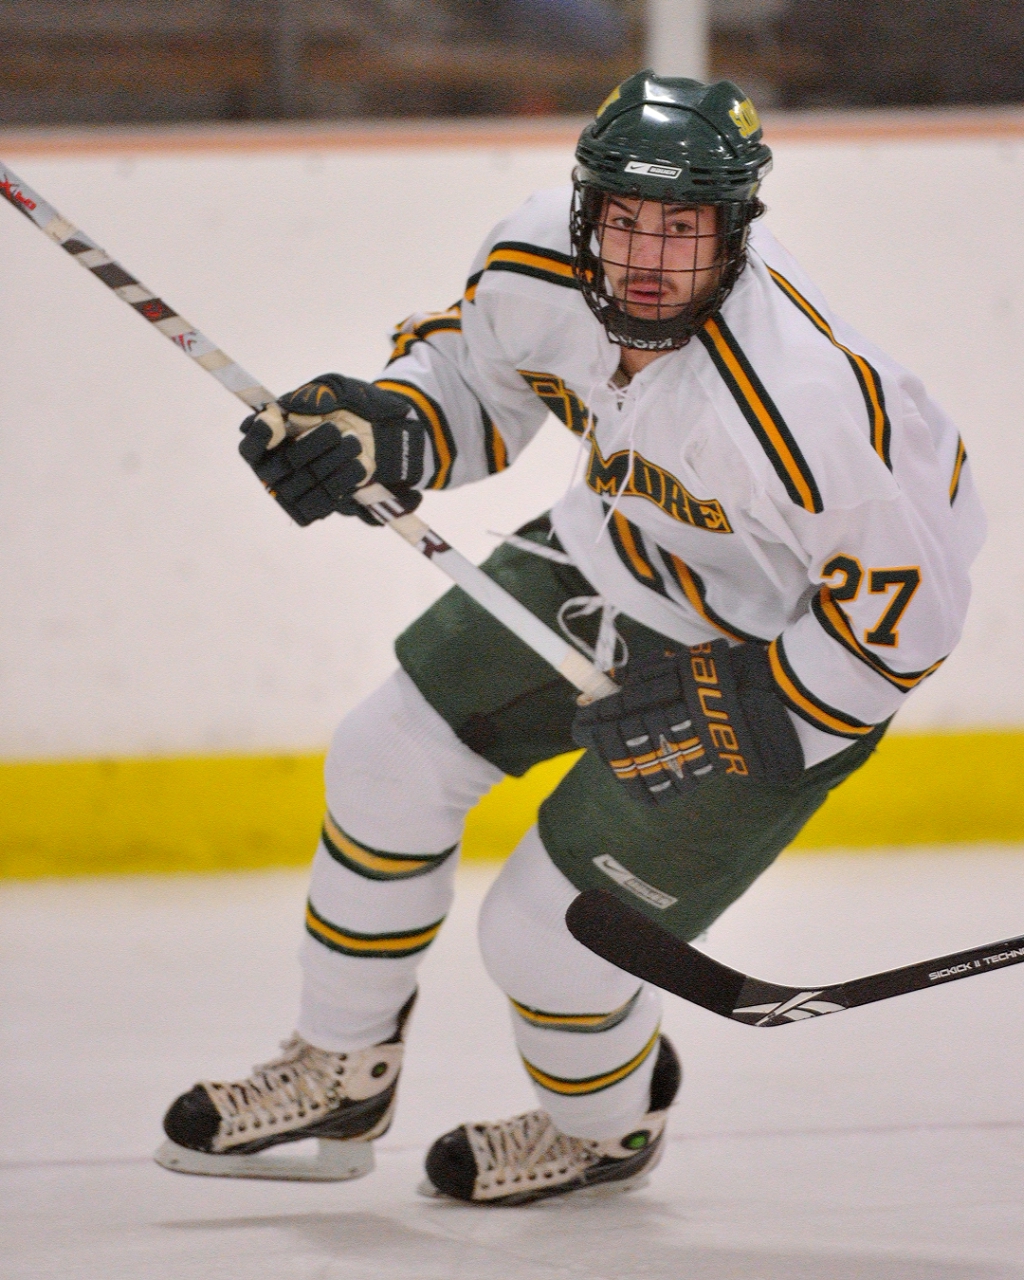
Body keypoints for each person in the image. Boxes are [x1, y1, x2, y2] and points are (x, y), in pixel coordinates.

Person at [157, 73, 984, 1204]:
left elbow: (906, 625)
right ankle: (340, 1064)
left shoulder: (806, 408)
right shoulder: (541, 257)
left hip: (773, 654)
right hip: (606, 558)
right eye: (625, 220)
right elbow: (470, 386)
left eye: (684, 226)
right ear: (587, 207)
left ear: (737, 230)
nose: (647, 257)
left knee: (545, 940)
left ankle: (605, 1126)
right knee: (384, 759)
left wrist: (740, 705)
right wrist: (384, 426)